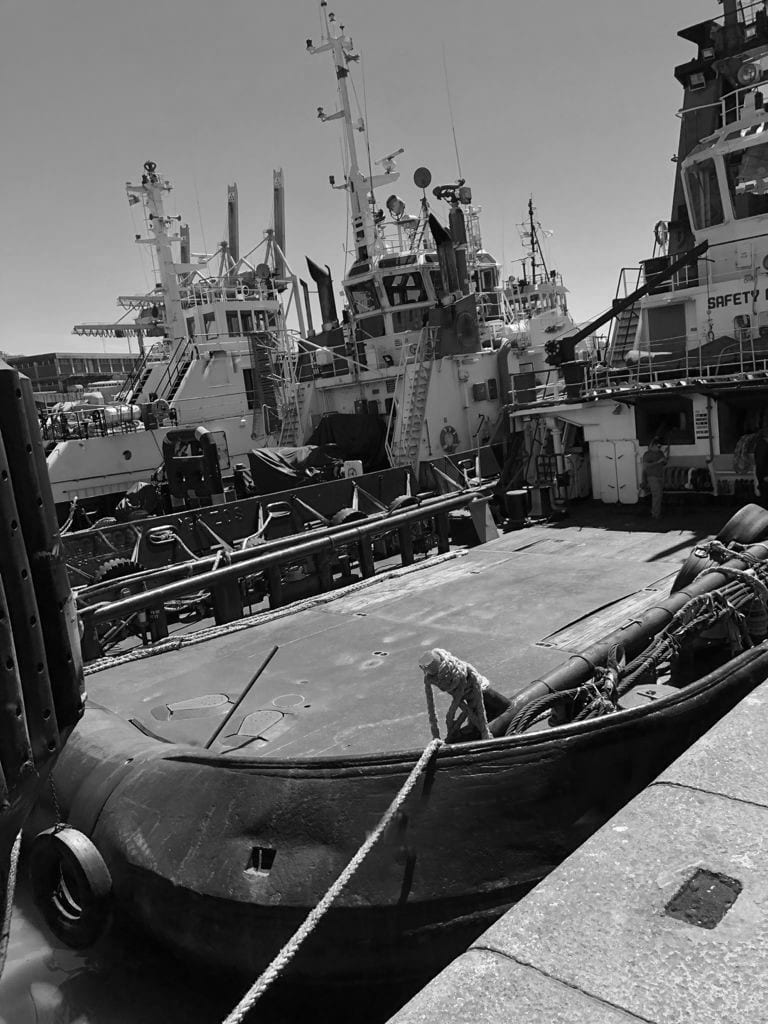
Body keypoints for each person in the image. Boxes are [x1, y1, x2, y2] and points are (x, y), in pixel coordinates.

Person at [642, 437, 669, 520]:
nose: (659, 448)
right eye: (658, 446)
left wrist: (664, 460)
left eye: (660, 446)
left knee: (659, 495)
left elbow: (664, 463)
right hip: (652, 476)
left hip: (660, 476)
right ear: (653, 446)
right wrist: (658, 462)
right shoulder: (647, 454)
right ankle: (655, 514)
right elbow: (646, 465)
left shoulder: (660, 453)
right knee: (657, 495)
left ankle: (656, 512)